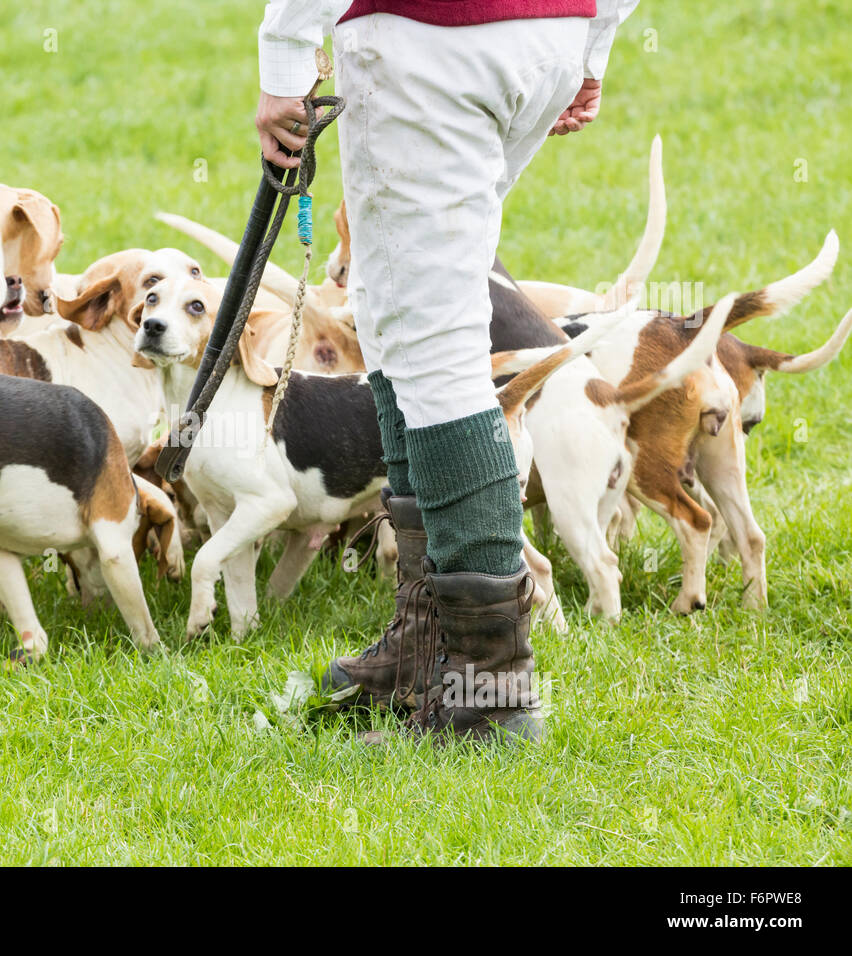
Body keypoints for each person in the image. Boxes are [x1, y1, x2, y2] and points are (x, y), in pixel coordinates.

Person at [255, 0, 638, 742]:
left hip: (430, 40)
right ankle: (426, 646)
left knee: (432, 344)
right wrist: (594, 38)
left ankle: (489, 696)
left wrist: (286, 51)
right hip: (542, 34)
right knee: (396, 305)